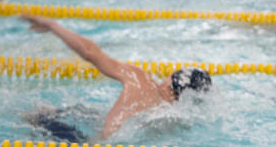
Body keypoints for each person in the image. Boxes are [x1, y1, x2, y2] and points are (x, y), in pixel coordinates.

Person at [22, 14, 212, 140]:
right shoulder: (177, 121)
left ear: (172, 79)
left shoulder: (140, 80)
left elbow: (89, 52)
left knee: (31, 114)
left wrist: (52, 25)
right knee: (90, 113)